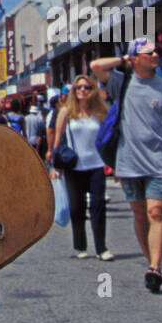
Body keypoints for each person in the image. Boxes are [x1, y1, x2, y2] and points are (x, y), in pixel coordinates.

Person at [91, 38, 162, 293]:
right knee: (139, 214)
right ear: (135, 59)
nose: (155, 55)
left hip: (159, 161)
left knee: (155, 212)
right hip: (129, 162)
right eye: (148, 53)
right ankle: (152, 262)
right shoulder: (121, 82)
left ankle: (154, 267)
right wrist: (123, 60)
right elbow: (96, 66)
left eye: (156, 51)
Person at [48, 74, 113, 260]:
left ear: (93, 91)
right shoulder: (66, 112)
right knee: (77, 208)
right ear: (74, 92)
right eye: (78, 88)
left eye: (87, 87)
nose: (82, 91)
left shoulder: (100, 112)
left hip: (96, 165)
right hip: (74, 165)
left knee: (98, 206)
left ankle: (101, 248)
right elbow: (57, 140)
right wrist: (56, 165)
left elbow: (107, 138)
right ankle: (80, 246)